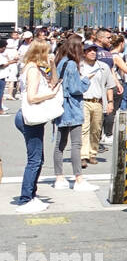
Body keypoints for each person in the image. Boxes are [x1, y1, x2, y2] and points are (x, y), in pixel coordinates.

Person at [13, 40, 58, 213]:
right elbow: (31, 97)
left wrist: (53, 66)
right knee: (34, 159)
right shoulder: (33, 70)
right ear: (40, 53)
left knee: (38, 158)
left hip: (32, 117)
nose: (49, 55)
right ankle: (26, 198)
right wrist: (49, 95)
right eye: (47, 52)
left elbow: (53, 81)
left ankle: (31, 195)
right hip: (29, 116)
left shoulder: (35, 68)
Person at [51, 34, 93, 192]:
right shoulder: (71, 65)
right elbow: (76, 88)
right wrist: (86, 80)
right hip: (72, 107)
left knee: (60, 144)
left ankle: (59, 177)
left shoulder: (60, 61)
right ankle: (78, 178)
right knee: (76, 144)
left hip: (61, 106)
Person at [80, 44, 110, 167]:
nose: (93, 53)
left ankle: (93, 153)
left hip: (98, 101)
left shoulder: (103, 67)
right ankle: (83, 155)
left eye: (94, 51)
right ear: (84, 53)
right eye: (89, 51)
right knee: (84, 128)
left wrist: (110, 102)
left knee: (96, 129)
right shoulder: (79, 66)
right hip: (84, 101)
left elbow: (109, 85)